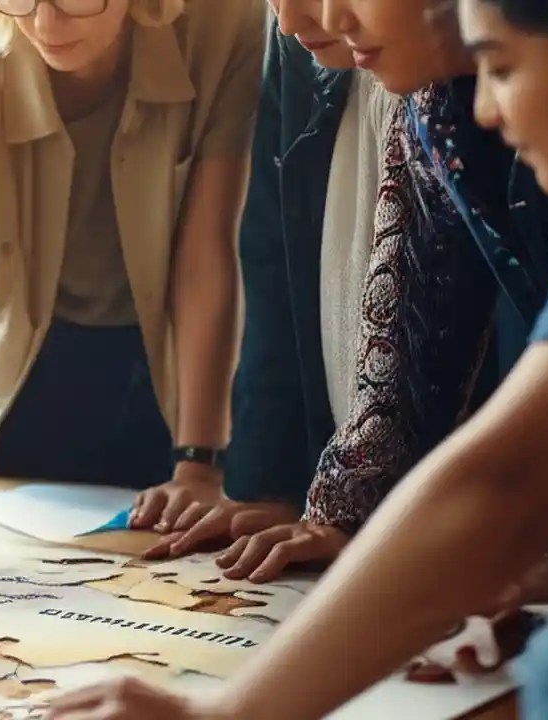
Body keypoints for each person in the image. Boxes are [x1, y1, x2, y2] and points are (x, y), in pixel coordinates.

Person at [45, 0, 548, 716]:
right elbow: (404, 348)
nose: (485, 108)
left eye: (503, 66)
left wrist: (224, 713)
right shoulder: (434, 110)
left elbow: (507, 480)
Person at [157, 0, 548, 586]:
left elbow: (516, 445)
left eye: (502, 67)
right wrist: (341, 512)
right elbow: (406, 329)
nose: (308, 20)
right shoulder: (433, 105)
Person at [0, 0, 266, 545]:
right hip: (31, 395)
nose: (45, 24)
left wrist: (198, 463)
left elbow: (205, 259)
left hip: (180, 390)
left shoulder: (225, 29)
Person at [127, 0, 405, 548]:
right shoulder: (295, 45)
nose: (288, 22)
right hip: (342, 500)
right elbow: (272, 265)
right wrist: (267, 488)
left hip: (449, 520)